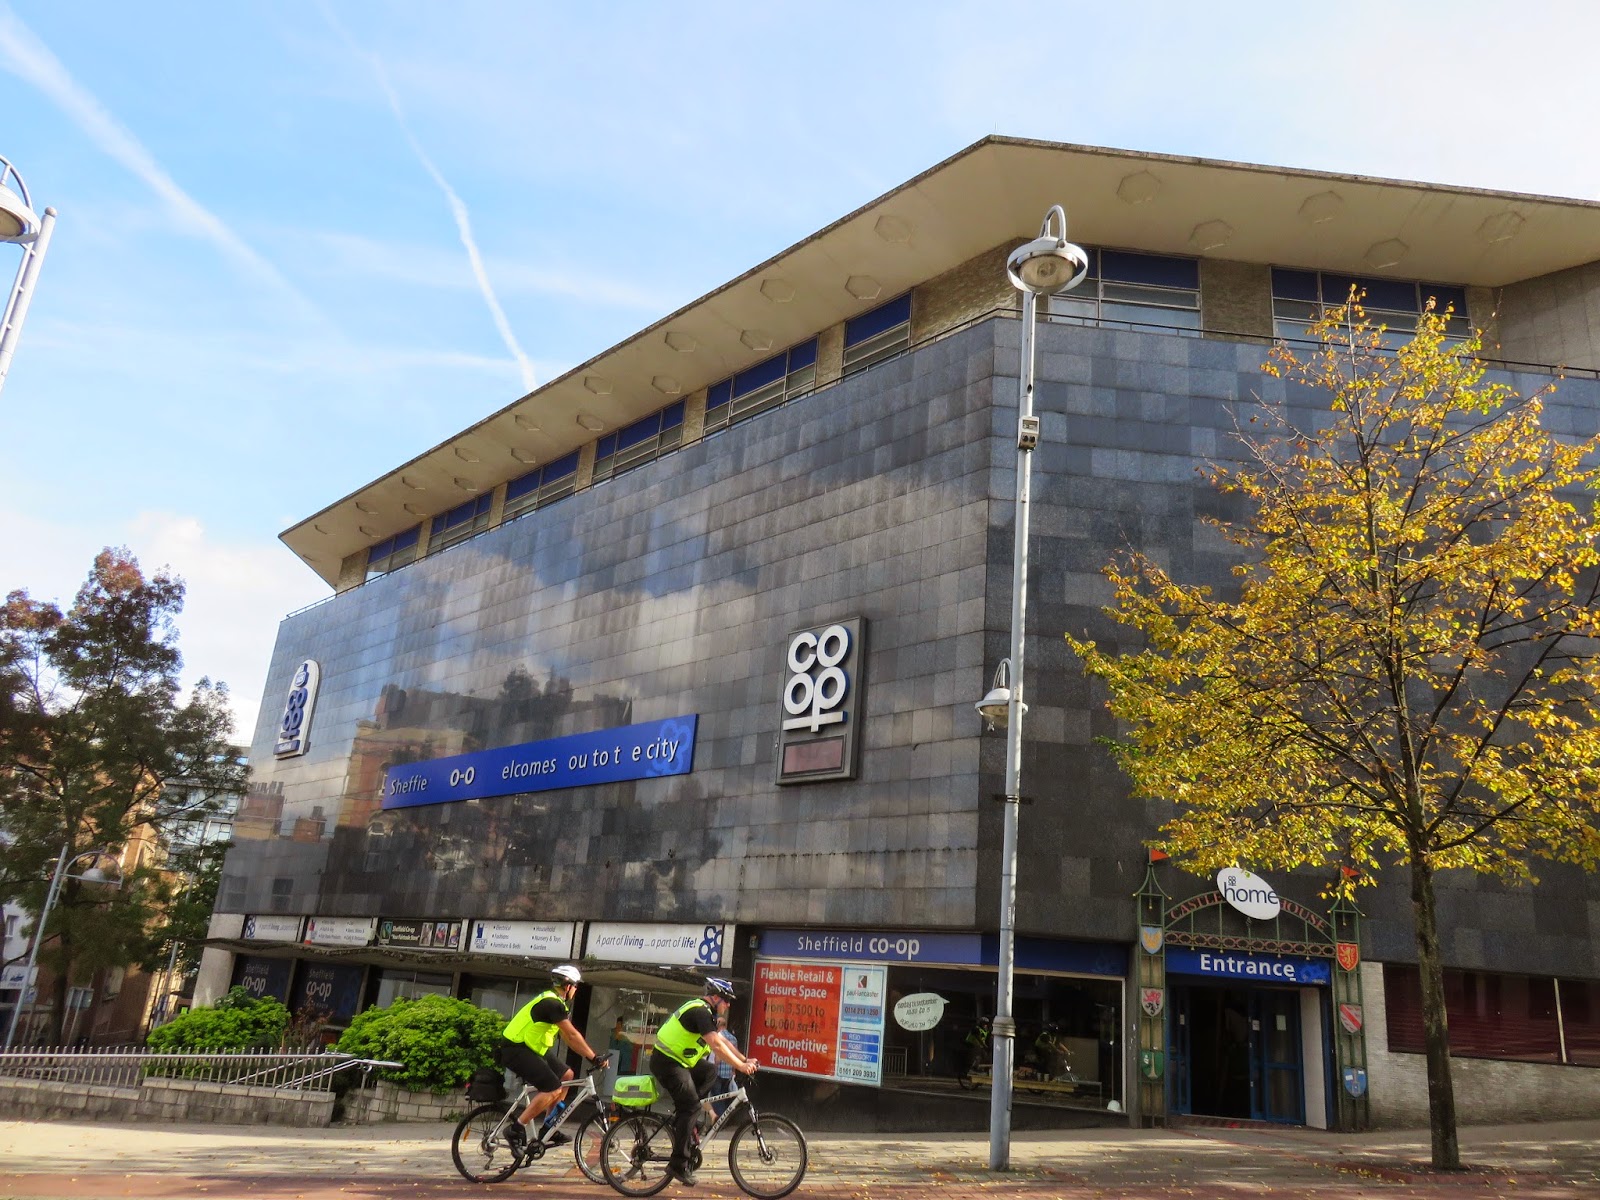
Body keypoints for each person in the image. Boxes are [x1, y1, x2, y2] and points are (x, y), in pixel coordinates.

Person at [649, 977, 758, 1187]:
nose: (728, 1005)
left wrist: (744, 1060)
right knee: (691, 1107)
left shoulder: (707, 1015)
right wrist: (740, 1066)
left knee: (709, 1071)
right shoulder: (700, 1011)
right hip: (667, 1062)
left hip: (680, 1062)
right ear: (715, 998)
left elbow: (723, 1041)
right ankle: (678, 1164)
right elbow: (716, 1046)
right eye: (726, 1000)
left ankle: (685, 1121)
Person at [499, 964, 607, 1154]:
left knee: (567, 1075)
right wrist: (593, 1057)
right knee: (553, 1088)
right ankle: (515, 1129)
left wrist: (590, 1055)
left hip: (532, 1048)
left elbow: (568, 1037)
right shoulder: (551, 1004)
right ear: (568, 986)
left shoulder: (556, 1004)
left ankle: (549, 1127)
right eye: (576, 986)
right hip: (515, 1049)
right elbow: (572, 1035)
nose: (576, 990)